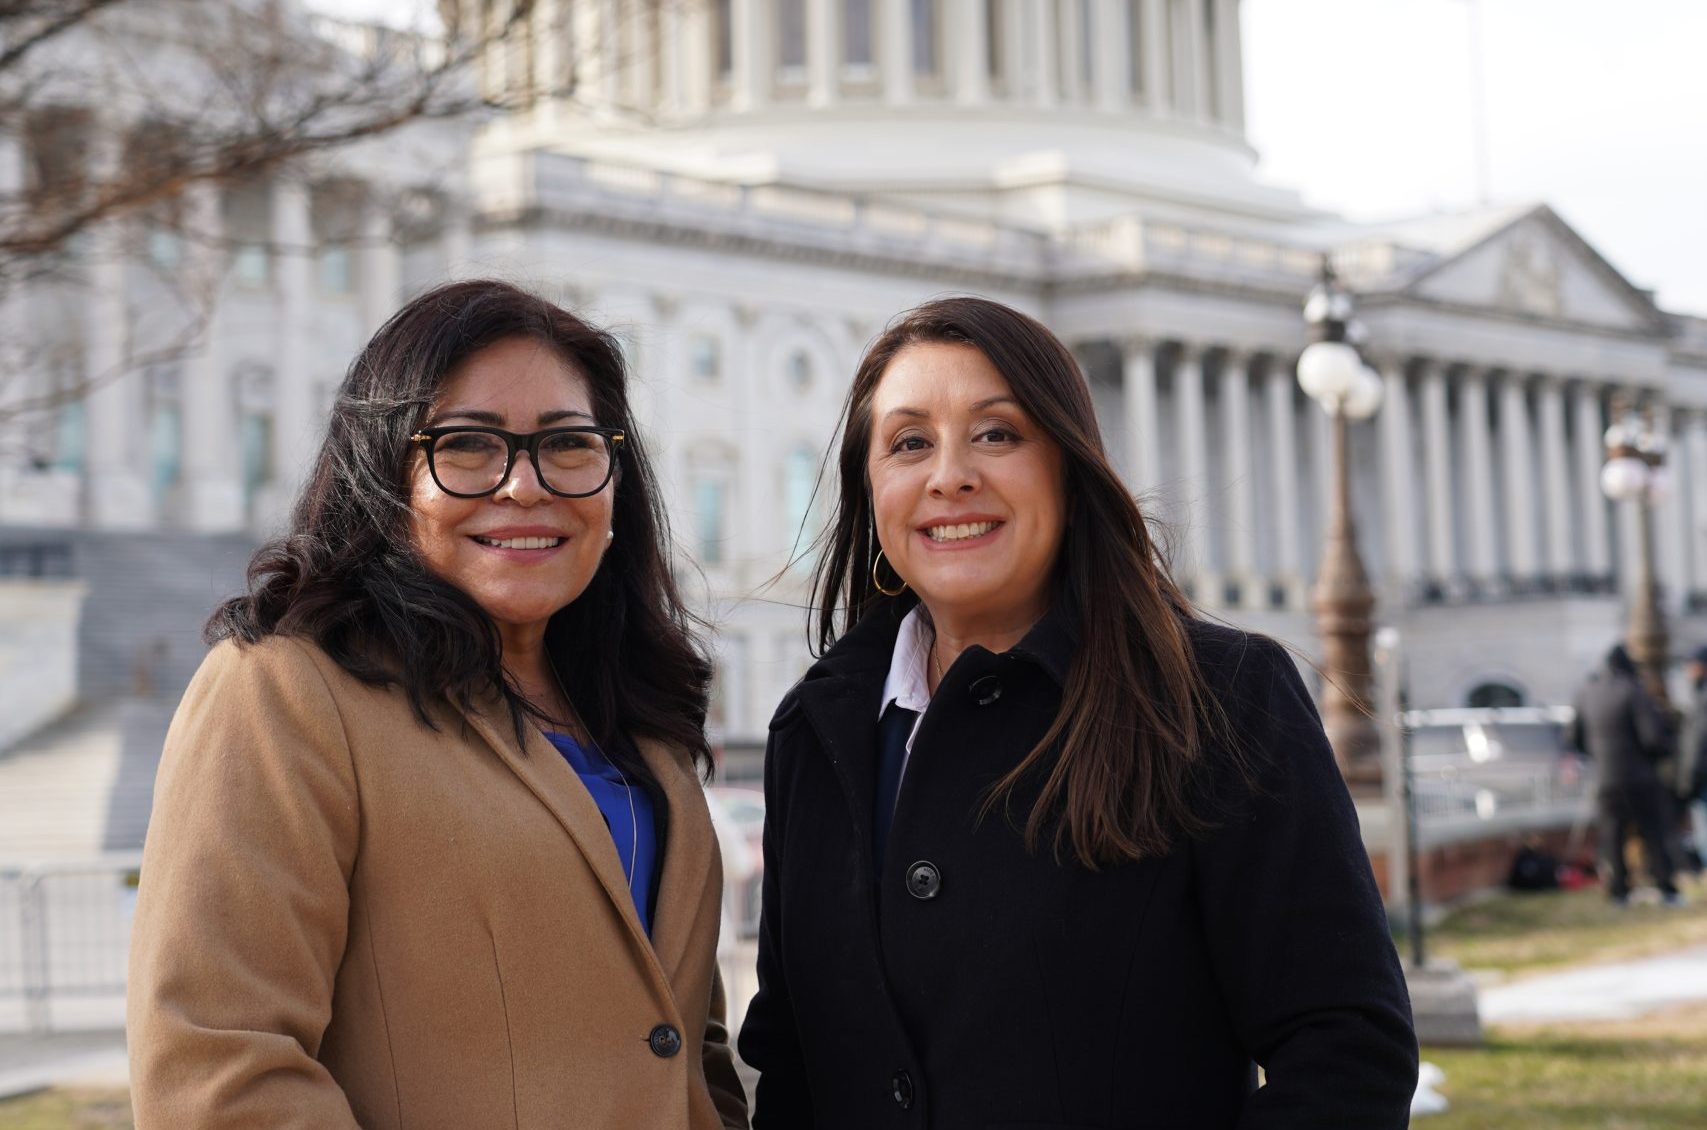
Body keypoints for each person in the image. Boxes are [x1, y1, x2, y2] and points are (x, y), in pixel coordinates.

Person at [737, 297, 1418, 1128]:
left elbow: (1346, 1051)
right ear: (869, 487)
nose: (949, 474)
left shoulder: (1217, 700)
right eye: (909, 443)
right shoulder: (815, 732)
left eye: (996, 433)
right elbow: (792, 1060)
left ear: (1067, 466)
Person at [128, 280, 749, 1128]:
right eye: (466, 445)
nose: (525, 487)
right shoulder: (284, 692)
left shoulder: (638, 720)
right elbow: (220, 1070)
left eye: (567, 444)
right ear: (385, 471)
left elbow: (684, 1039)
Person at [1565, 643, 1682, 906]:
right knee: (1654, 834)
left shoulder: (1586, 692)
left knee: (1612, 835)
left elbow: (1573, 737)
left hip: (1606, 777)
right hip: (1640, 777)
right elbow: (1652, 737)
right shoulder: (1633, 691)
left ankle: (1619, 892)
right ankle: (1667, 889)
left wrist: (1599, 756)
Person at [1676, 646, 1707, 872]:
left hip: (1702, 775)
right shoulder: (1697, 694)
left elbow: (1698, 741)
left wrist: (1688, 778)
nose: (1688, 670)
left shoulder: (1702, 698)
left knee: (1704, 829)